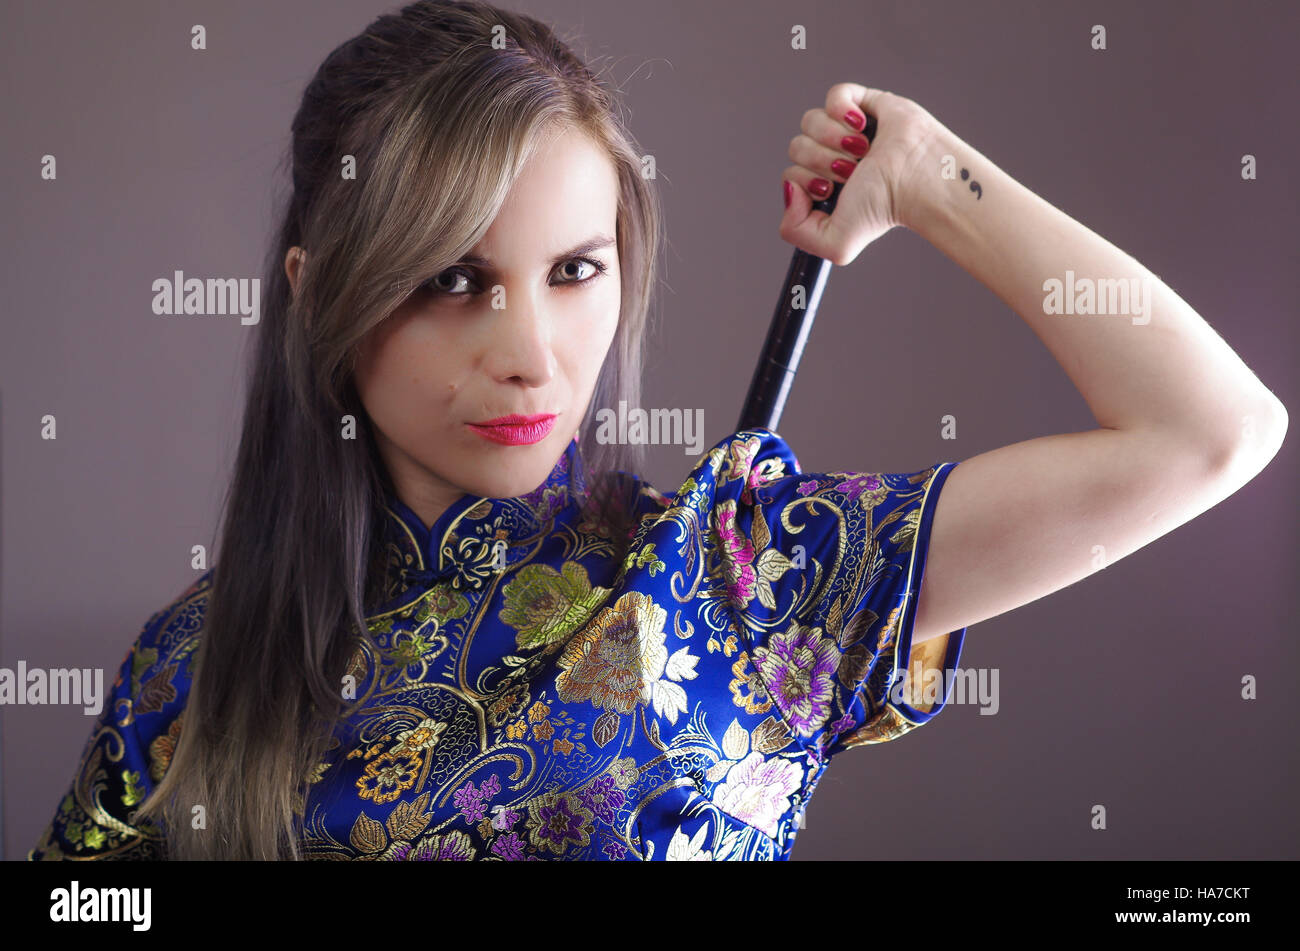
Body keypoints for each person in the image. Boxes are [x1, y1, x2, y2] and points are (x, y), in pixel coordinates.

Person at [28, 0, 1286, 861]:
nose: (530, 352)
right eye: (454, 281)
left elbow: (1211, 430)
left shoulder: (743, 571)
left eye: (576, 270)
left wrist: (933, 177)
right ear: (321, 294)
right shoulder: (192, 661)